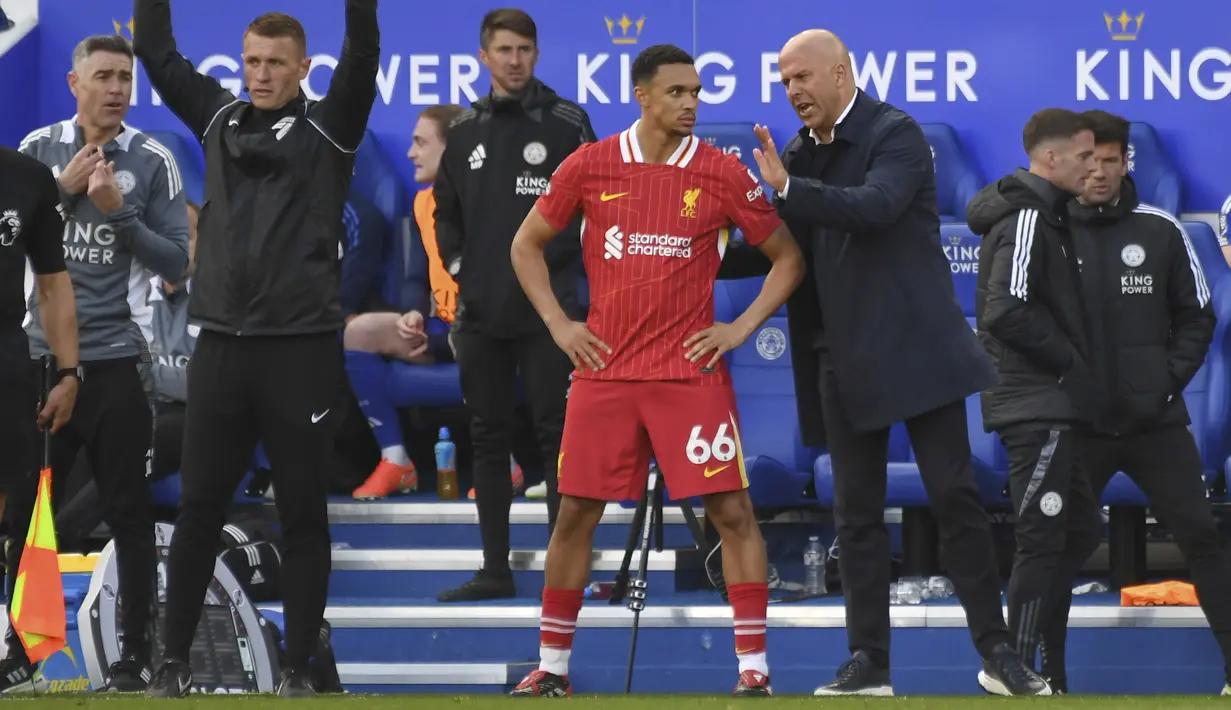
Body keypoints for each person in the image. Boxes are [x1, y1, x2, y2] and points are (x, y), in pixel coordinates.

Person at [718, 29, 1045, 696]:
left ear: (840, 73)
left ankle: (996, 652)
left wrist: (786, 191)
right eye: (784, 83)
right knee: (854, 513)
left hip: (916, 347)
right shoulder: (799, 153)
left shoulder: (894, 133)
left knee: (955, 499)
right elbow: (786, 241)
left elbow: (875, 208)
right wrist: (691, 244)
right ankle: (869, 660)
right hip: (840, 351)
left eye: (802, 78)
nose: (793, 92)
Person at [508, 44, 804, 698]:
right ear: (641, 95)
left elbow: (787, 259)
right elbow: (523, 245)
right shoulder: (590, 164)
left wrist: (737, 329)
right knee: (574, 515)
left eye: (696, 91)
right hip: (604, 375)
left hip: (687, 375)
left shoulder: (721, 173)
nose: (691, 103)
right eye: (676, 92)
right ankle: (552, 669)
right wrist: (561, 325)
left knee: (732, 511)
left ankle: (752, 669)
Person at [132, 0, 381, 697]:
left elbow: (362, 57)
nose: (261, 74)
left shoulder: (331, 128)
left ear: (305, 68)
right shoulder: (217, 118)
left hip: (299, 353)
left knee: (303, 511)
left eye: (276, 63)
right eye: (251, 61)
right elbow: (156, 49)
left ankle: (300, 666)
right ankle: (172, 663)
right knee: (198, 511)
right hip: (221, 350)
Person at [15, 32, 190, 693]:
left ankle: (134, 657)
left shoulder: (153, 158)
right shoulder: (34, 154)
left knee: (127, 512)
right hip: (36, 360)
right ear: (73, 83)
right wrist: (57, 196)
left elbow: (178, 262)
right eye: (104, 76)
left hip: (118, 363)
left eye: (125, 78)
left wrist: (119, 216)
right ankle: (20, 651)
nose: (117, 89)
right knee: (21, 515)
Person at [1035, 110, 1231, 696]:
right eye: (1088, 160)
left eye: (1111, 160)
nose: (1098, 172)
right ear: (1071, 161)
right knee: (1061, 550)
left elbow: (1198, 318)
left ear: (1127, 162)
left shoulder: (1162, 231)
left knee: (1200, 536)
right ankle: (1051, 679)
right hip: (1080, 424)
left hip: (1156, 422)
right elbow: (1021, 320)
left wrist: (1163, 382)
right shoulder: (1045, 229)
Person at [433, 8, 596, 602]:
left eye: (524, 49)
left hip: (552, 315)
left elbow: (598, 211)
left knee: (560, 437)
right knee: (487, 437)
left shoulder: (567, 122)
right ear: (484, 56)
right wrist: (459, 271)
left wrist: (580, 295)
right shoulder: (466, 126)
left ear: (536, 53)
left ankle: (564, 567)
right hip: (482, 315)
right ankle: (495, 568)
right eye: (503, 50)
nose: (515, 60)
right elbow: (444, 210)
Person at [967, 107, 1097, 693]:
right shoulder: (1026, 218)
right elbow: (1004, 310)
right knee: (1042, 536)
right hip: (1031, 401)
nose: (1093, 166)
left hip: (1050, 402)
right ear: (1051, 158)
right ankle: (1010, 667)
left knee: (1081, 529)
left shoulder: (1052, 216)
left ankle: (1043, 655)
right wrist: (1072, 363)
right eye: (1084, 156)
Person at [346, 104, 464, 498]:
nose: (411, 153)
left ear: (453, 150)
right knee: (358, 331)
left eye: (420, 142)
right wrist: (413, 311)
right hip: (441, 329)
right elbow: (416, 275)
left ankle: (508, 463)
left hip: (487, 330)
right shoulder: (422, 203)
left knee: (485, 340)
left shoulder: (491, 202)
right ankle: (397, 460)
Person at [0, 146, 79, 694]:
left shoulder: (27, 178)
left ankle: (11, 644)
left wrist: (70, 370)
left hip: (6, 355)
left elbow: (51, 283)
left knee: (10, 502)